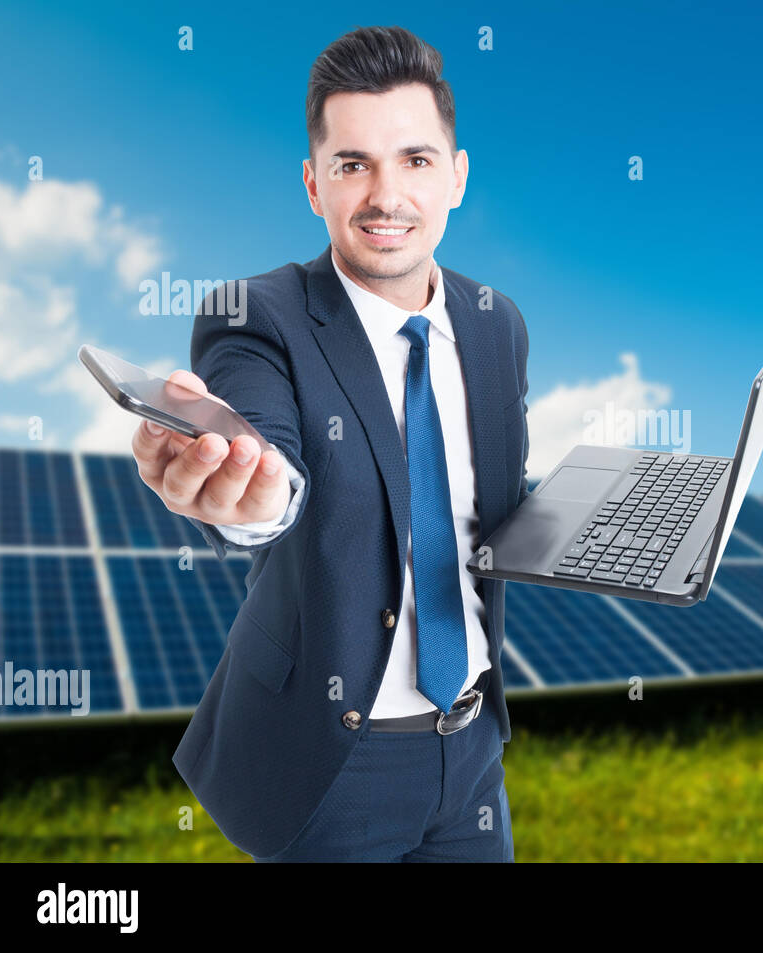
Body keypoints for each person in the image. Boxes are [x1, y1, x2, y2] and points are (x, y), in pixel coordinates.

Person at [130, 25, 528, 861]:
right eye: (354, 165)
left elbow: (492, 505)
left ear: (456, 177)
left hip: (472, 753)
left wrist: (613, 521)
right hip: (333, 765)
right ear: (315, 184)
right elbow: (269, 460)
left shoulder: (498, 327)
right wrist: (252, 494)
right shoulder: (255, 314)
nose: (387, 196)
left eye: (415, 160)